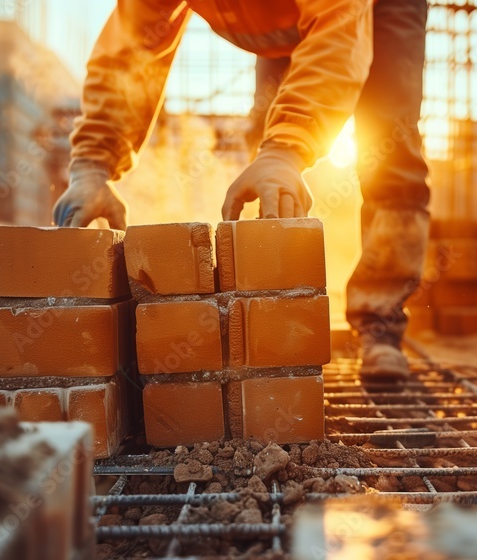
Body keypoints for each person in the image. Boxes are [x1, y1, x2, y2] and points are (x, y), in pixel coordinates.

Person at [54, 0, 431, 378]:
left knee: (388, 145)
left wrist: (288, 147)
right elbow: (129, 52)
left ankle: (381, 322)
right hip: (280, 22)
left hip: (376, 8)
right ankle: (270, 317)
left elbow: (339, 34)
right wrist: (93, 163)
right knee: (266, 157)